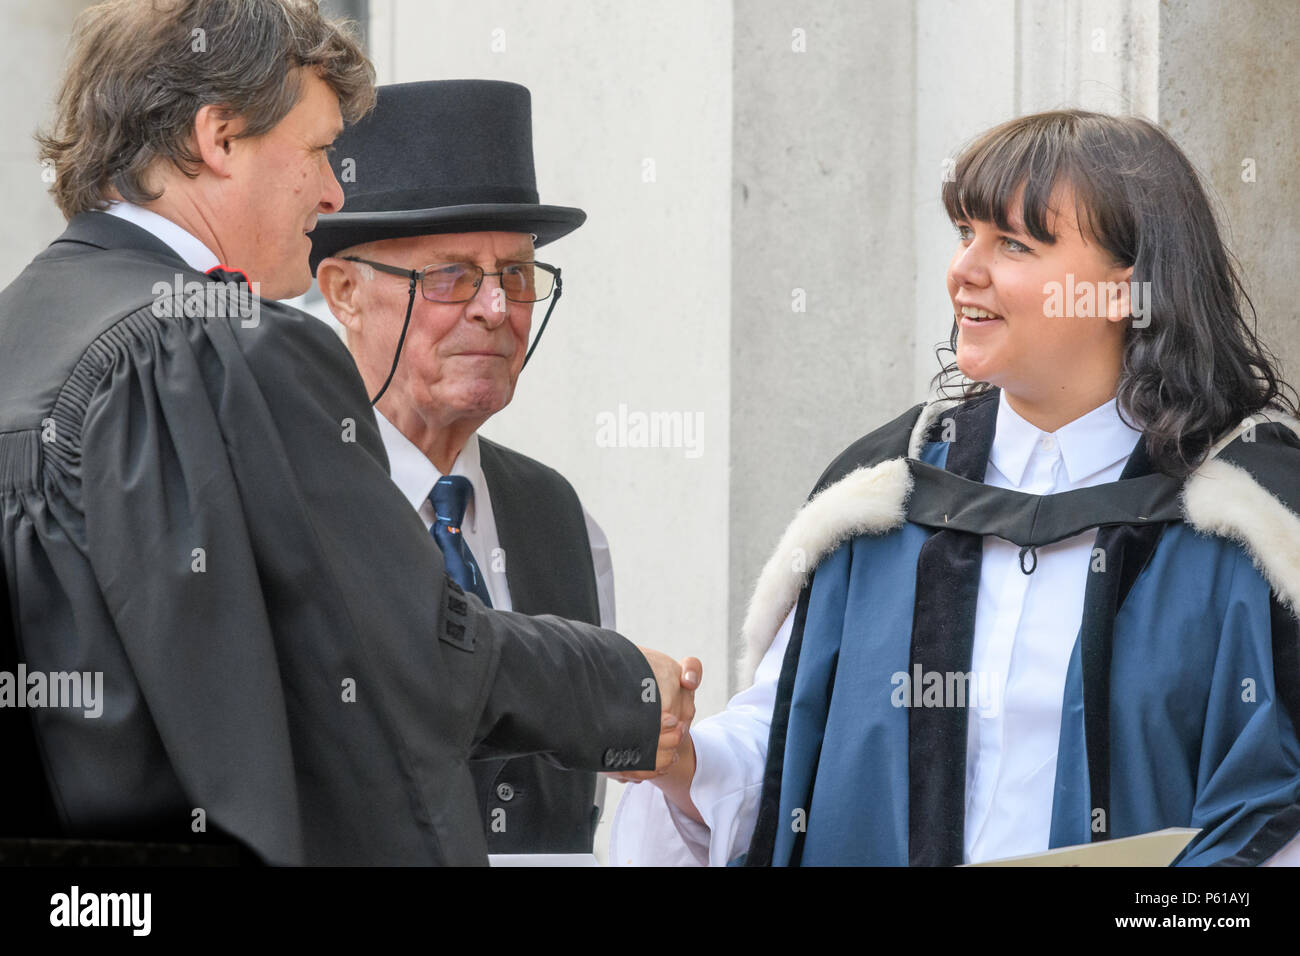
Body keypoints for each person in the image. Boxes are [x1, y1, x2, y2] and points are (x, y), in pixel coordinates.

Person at [0, 0, 697, 866]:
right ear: (218, 138)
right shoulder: (219, 348)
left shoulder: (17, 339)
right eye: (320, 149)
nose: (333, 192)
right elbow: (403, 662)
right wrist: (617, 686)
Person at [612, 109, 1300, 867]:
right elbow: (784, 750)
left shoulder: (1248, 525)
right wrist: (681, 761)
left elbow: (1273, 821)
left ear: (1122, 290)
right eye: (964, 234)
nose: (964, 271)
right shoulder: (883, 498)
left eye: (1013, 244)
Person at [309, 79, 631, 853]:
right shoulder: (293, 500)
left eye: (517, 276)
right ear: (345, 292)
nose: (496, 308)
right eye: (451, 276)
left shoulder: (560, 519)